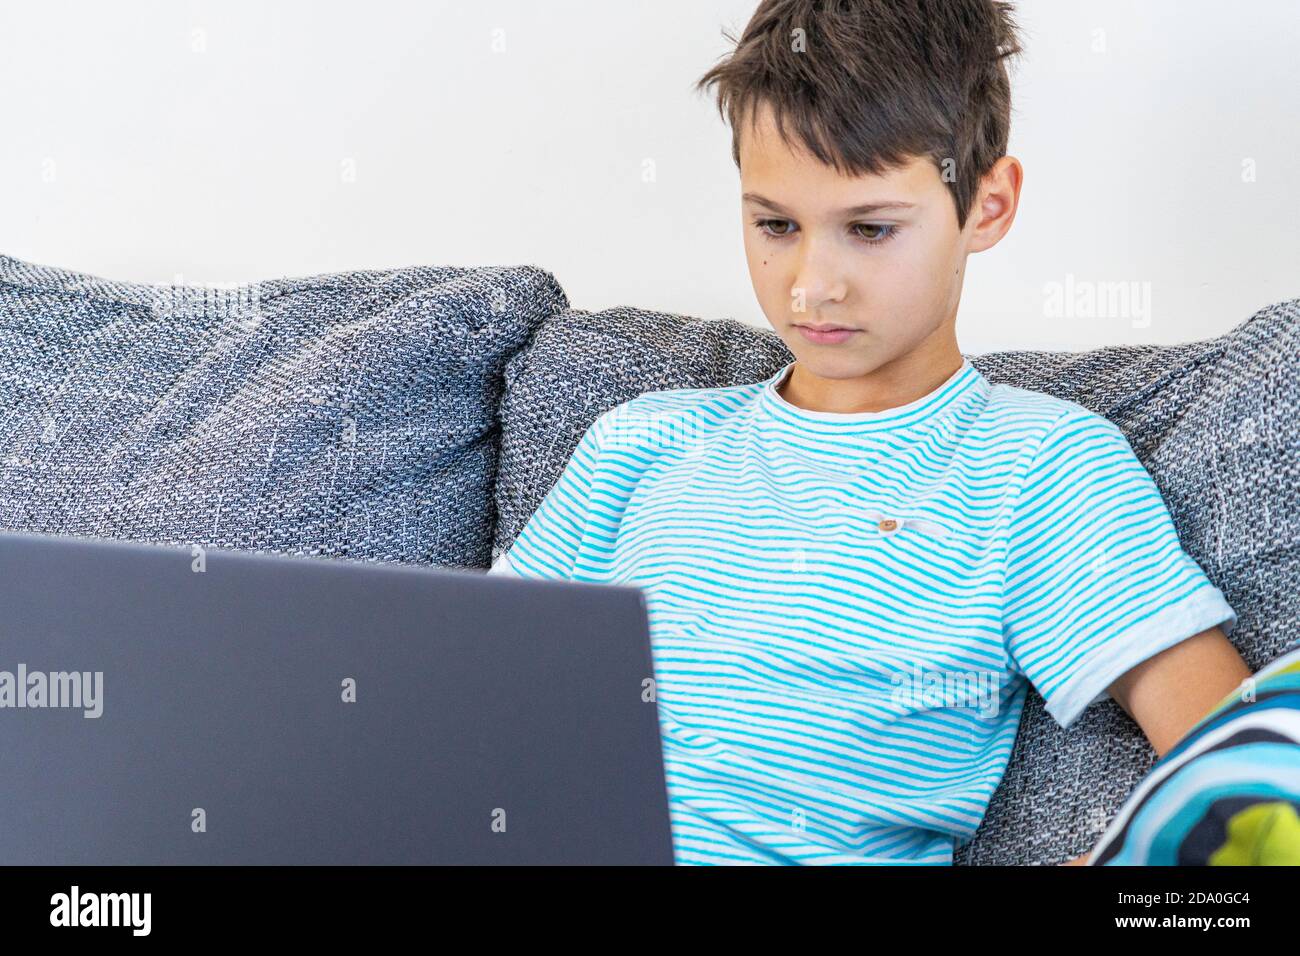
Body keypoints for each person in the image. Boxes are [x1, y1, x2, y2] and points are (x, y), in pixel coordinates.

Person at [490, 0, 1251, 866]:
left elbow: (1249, 781)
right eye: (776, 224)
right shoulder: (640, 442)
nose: (813, 286)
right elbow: (458, 693)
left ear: (988, 206)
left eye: (870, 229)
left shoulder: (1036, 467)